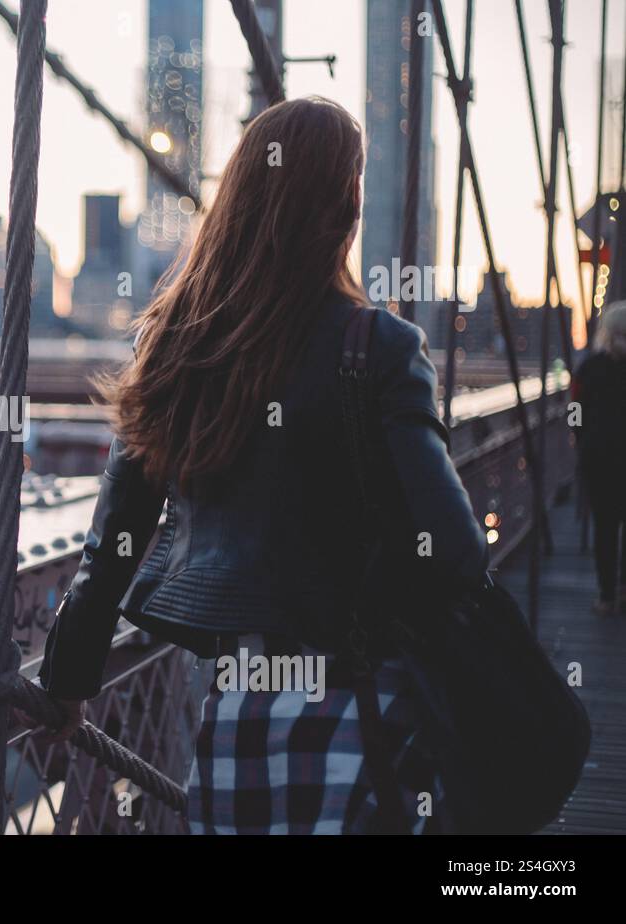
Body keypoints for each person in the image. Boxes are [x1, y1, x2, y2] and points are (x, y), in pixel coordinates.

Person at [33, 97, 488, 834]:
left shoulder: (175, 350)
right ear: (344, 209)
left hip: (236, 730)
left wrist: (66, 682)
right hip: (365, 718)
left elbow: (112, 545)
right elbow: (458, 552)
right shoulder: (378, 348)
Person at [573, 300, 626, 616]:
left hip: (599, 456)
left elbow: (575, 411)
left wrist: (582, 441)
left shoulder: (589, 367)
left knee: (605, 526)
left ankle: (606, 596)